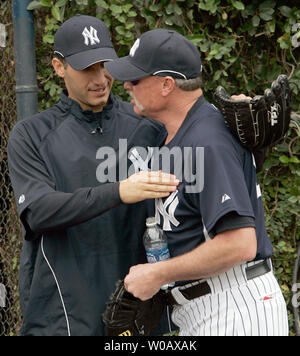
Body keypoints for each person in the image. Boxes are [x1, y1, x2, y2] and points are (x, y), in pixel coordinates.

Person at [104, 29, 289, 336]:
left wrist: (157, 274)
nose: (126, 86)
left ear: (166, 85)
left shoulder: (208, 138)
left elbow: (240, 244)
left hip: (236, 306)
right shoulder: (179, 136)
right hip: (206, 308)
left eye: (135, 79)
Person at [7, 15, 179, 336]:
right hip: (63, 314)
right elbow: (38, 212)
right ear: (59, 67)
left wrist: (250, 149)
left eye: (105, 65)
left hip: (139, 309)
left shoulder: (148, 126)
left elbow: (200, 180)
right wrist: (119, 192)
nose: (100, 78)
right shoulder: (31, 134)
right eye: (87, 68)